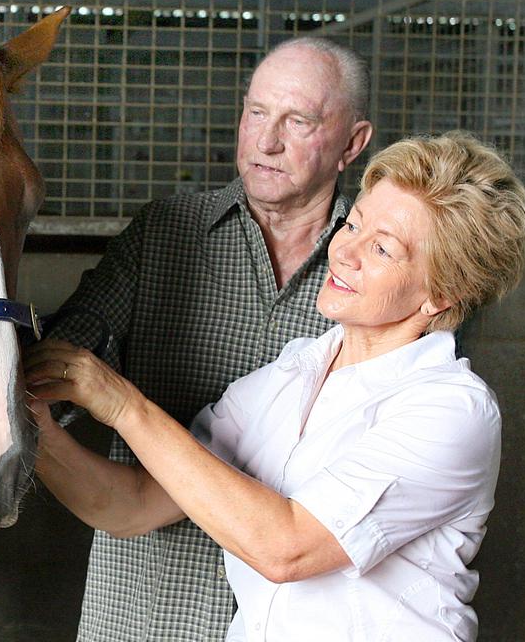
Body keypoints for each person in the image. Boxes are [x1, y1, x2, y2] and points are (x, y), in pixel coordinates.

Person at [27, 132, 525, 641]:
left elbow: (286, 548)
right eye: (353, 223)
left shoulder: (449, 410)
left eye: (382, 248)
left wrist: (121, 405)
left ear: (440, 295)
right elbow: (130, 506)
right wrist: (31, 428)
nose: (345, 252)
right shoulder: (291, 375)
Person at [41, 36, 373, 640]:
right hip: (144, 612)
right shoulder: (166, 233)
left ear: (353, 143)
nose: (266, 142)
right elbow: (71, 350)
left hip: (298, 617)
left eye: (297, 121)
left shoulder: (373, 271)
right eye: (255, 113)